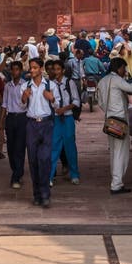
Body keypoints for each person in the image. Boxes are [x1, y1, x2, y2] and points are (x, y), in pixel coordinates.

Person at [96, 54, 132, 193]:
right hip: (120, 119)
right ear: (119, 68)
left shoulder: (103, 81)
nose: (125, 71)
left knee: (114, 152)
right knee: (120, 153)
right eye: (124, 68)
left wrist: (109, 109)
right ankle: (116, 184)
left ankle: (116, 181)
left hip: (110, 119)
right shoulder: (116, 80)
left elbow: (99, 101)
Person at [22, 57, 57, 208]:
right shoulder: (25, 86)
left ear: (41, 69)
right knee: (33, 161)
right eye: (31, 68)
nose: (32, 70)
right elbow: (21, 106)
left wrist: (52, 98)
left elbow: (58, 104)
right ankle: (36, 194)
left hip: (46, 124)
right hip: (31, 125)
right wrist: (24, 97)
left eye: (35, 68)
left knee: (45, 159)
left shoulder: (51, 85)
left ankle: (45, 194)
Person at [49, 58, 81, 186]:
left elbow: (76, 101)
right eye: (54, 69)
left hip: (67, 118)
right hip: (56, 119)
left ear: (63, 70)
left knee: (70, 147)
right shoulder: (50, 84)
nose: (55, 72)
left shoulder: (69, 83)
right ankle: (50, 176)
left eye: (58, 69)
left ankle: (74, 174)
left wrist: (64, 109)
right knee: (54, 147)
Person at [0, 60, 28, 189]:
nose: (14, 72)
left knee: (20, 148)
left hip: (22, 118)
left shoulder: (25, 86)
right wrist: (1, 121)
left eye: (17, 69)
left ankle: (16, 176)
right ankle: (16, 170)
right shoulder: (7, 86)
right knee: (11, 148)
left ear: (21, 71)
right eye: (13, 69)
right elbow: (4, 104)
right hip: (10, 118)